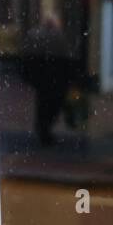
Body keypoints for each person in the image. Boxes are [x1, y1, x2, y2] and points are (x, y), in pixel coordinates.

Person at [21, 14, 74, 146]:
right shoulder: (58, 37)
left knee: (43, 103)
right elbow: (65, 58)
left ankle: (42, 128)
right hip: (53, 76)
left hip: (42, 77)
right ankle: (44, 129)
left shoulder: (36, 35)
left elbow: (28, 57)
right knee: (50, 103)